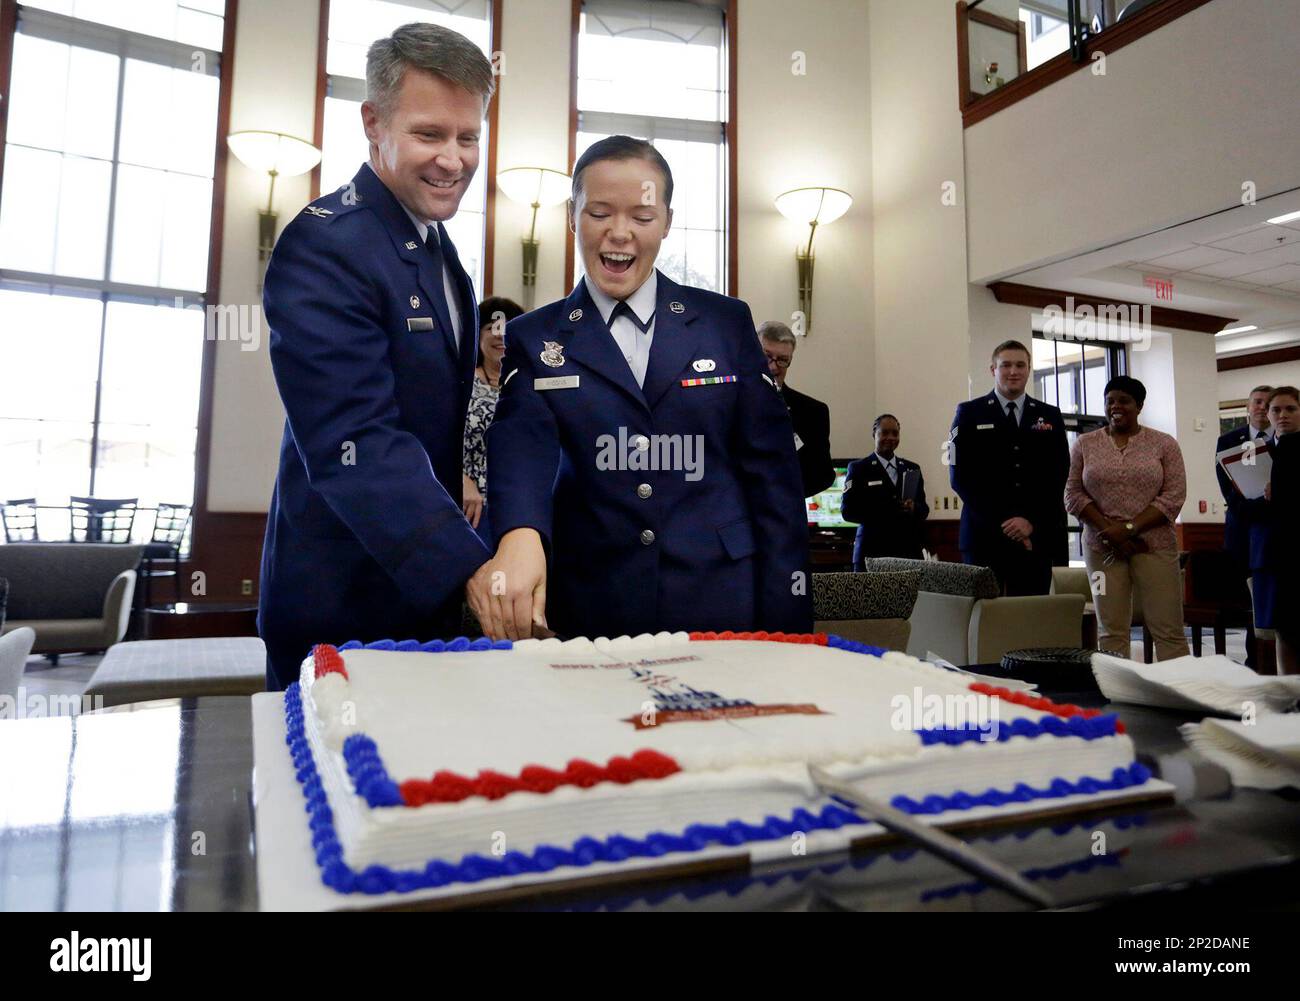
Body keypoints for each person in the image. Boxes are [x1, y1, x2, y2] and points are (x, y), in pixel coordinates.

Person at [475, 136, 812, 640]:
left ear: (668, 222)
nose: (620, 233)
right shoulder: (537, 336)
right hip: (590, 605)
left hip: (719, 601)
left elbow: (771, 477)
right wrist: (520, 532)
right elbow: (522, 448)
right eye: (600, 213)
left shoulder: (724, 322)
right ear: (572, 216)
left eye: (642, 217)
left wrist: (788, 619)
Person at [258, 23, 498, 689]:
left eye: (468, 137)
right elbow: (353, 438)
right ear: (374, 123)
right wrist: (467, 567)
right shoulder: (326, 244)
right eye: (430, 135)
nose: (454, 159)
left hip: (424, 607)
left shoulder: (442, 253)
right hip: (340, 609)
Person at [1065, 375, 1188, 662]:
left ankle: (1181, 693)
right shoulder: (1084, 444)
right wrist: (1110, 531)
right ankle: (1116, 690)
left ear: (1139, 405)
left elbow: (1173, 496)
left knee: (1167, 628)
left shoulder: (1164, 444)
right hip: (1101, 549)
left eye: (1124, 401)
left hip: (1154, 546)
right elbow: (1072, 494)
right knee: (1110, 629)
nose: (1115, 407)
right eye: (1110, 401)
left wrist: (1130, 529)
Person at [949, 339, 1069, 595]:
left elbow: (1058, 475)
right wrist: (1006, 524)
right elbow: (961, 477)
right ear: (993, 369)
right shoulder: (969, 413)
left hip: (1035, 537)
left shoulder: (1050, 415)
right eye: (1005, 365)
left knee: (1029, 621)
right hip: (983, 536)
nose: (1013, 371)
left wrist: (1030, 522)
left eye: (1020, 365)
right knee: (983, 621)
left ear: (1028, 369)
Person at [462, 296, 524, 545]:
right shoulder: (461, 383)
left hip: (519, 508)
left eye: (507, 328)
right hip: (468, 506)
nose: (500, 335)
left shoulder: (533, 385)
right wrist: (461, 480)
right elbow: (433, 437)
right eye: (491, 328)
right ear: (477, 334)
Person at [1252, 386, 1299, 674]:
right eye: (1276, 410)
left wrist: (1281, 492)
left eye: (1290, 409)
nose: (1282, 415)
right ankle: (1288, 691)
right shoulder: (1262, 451)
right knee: (1282, 627)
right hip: (1273, 550)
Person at [758, 321, 835, 497]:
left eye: (782, 360)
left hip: (785, 514)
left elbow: (822, 475)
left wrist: (781, 493)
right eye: (766, 356)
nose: (773, 366)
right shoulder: (727, 403)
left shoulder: (812, 412)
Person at [841, 413, 929, 565]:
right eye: (885, 433)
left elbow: (924, 510)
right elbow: (848, 511)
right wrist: (885, 509)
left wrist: (913, 507)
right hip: (872, 553)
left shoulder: (912, 469)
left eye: (895, 433)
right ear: (874, 434)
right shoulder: (859, 469)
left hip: (907, 553)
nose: (891, 437)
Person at [1216, 384, 1274, 577]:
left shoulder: (1286, 438)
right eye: (1257, 402)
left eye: (1268, 403)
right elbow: (1226, 483)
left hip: (1275, 523)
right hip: (1240, 523)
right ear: (1248, 407)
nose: (1262, 407)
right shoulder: (1228, 440)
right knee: (1238, 589)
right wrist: (1247, 508)